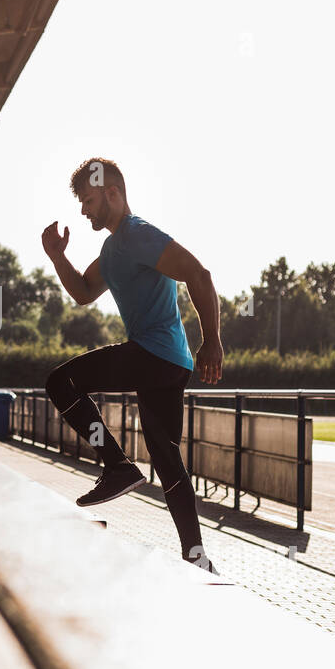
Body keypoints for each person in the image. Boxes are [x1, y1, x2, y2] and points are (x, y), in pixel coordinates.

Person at [42, 157, 222, 573]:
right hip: (167, 362)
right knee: (165, 456)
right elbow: (85, 292)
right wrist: (57, 258)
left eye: (88, 200)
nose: (84, 210)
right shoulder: (112, 249)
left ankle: (118, 465)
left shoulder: (139, 235)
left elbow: (200, 274)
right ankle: (196, 555)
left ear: (113, 194)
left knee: (61, 382)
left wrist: (212, 341)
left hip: (154, 355)